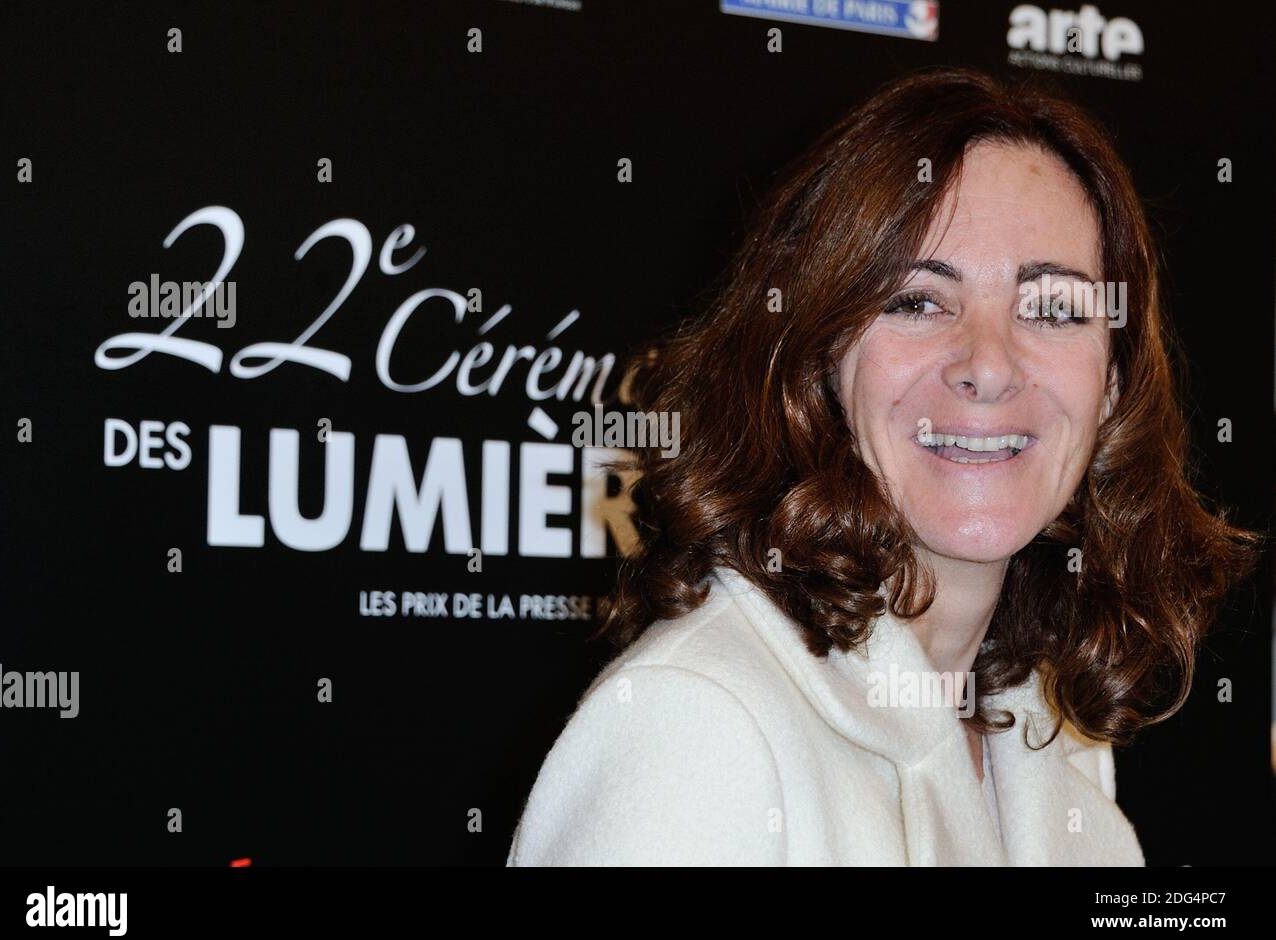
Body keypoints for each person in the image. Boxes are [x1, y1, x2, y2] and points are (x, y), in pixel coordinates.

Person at [507, 67, 1261, 866]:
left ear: (1112, 384)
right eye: (917, 301)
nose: (988, 365)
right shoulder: (697, 723)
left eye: (1053, 308)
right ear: (817, 360)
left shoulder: (1059, 752)